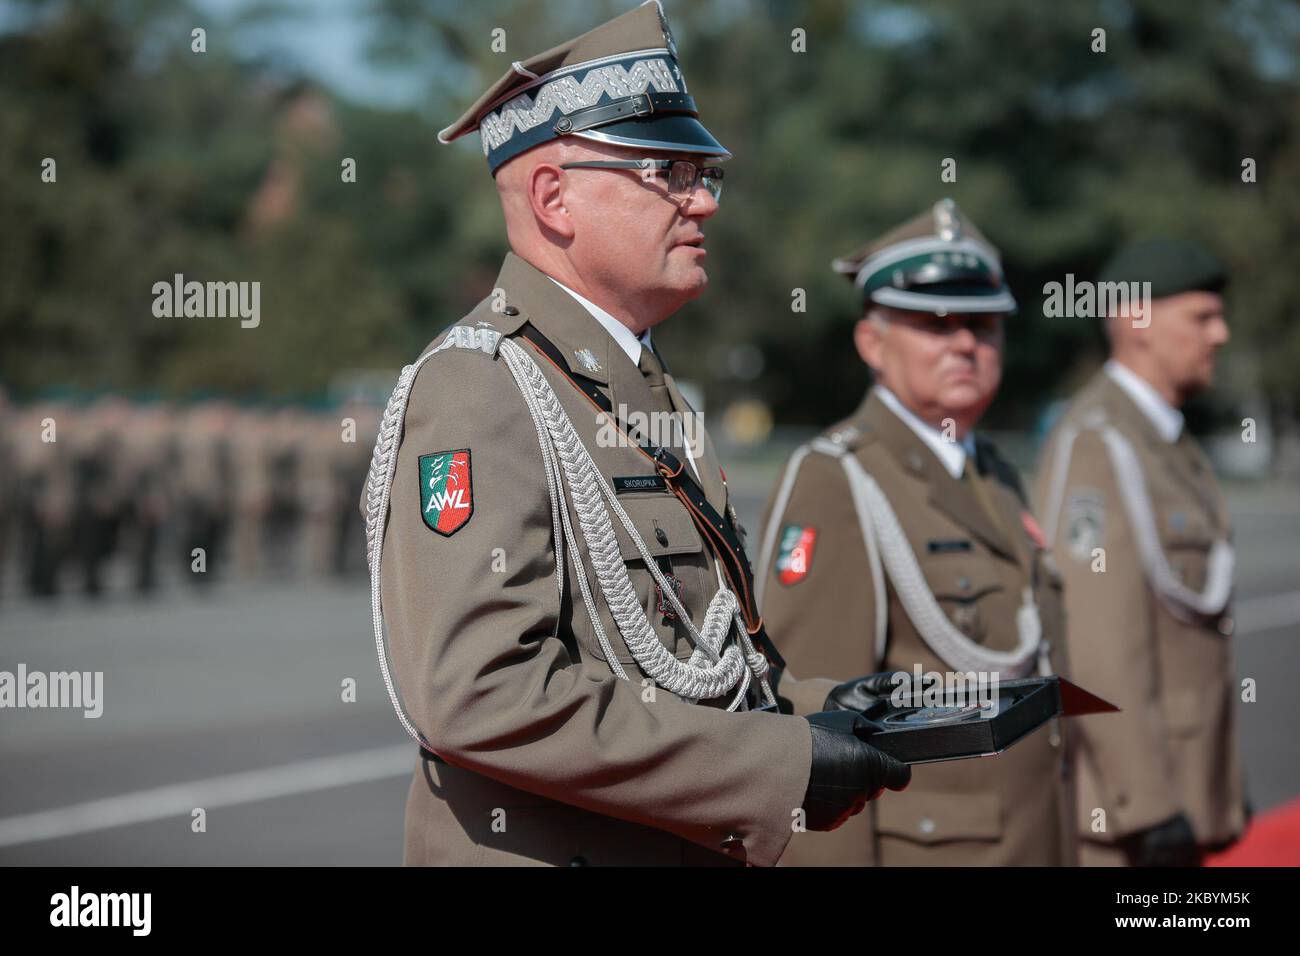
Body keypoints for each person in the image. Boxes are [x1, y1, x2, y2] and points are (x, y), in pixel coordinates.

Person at [362, 0, 909, 867]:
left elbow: (693, 656)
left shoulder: (633, 385)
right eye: (670, 171)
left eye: (706, 174)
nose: (704, 203)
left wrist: (823, 712)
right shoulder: (480, 386)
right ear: (554, 197)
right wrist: (777, 765)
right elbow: (478, 693)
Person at [759, 199, 1075, 865]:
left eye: (984, 323)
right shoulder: (835, 477)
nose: (966, 342)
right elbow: (818, 736)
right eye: (936, 323)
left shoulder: (993, 473)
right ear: (873, 342)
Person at [1032, 239, 1248, 866]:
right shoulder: (1101, 442)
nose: (1222, 334)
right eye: (1201, 317)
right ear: (1137, 322)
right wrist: (1149, 807)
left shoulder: (1166, 439)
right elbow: (1095, 643)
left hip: (1186, 791)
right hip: (1131, 823)